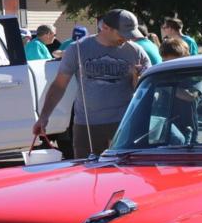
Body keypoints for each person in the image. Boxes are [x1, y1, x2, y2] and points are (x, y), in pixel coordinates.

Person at [33, 8, 151, 158]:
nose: (127, 39)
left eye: (131, 35)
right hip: (87, 126)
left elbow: (145, 91)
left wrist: (138, 78)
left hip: (125, 124)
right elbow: (59, 85)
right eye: (123, 34)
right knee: (87, 175)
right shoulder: (78, 49)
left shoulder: (136, 51)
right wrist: (44, 117)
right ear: (105, 28)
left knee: (127, 175)